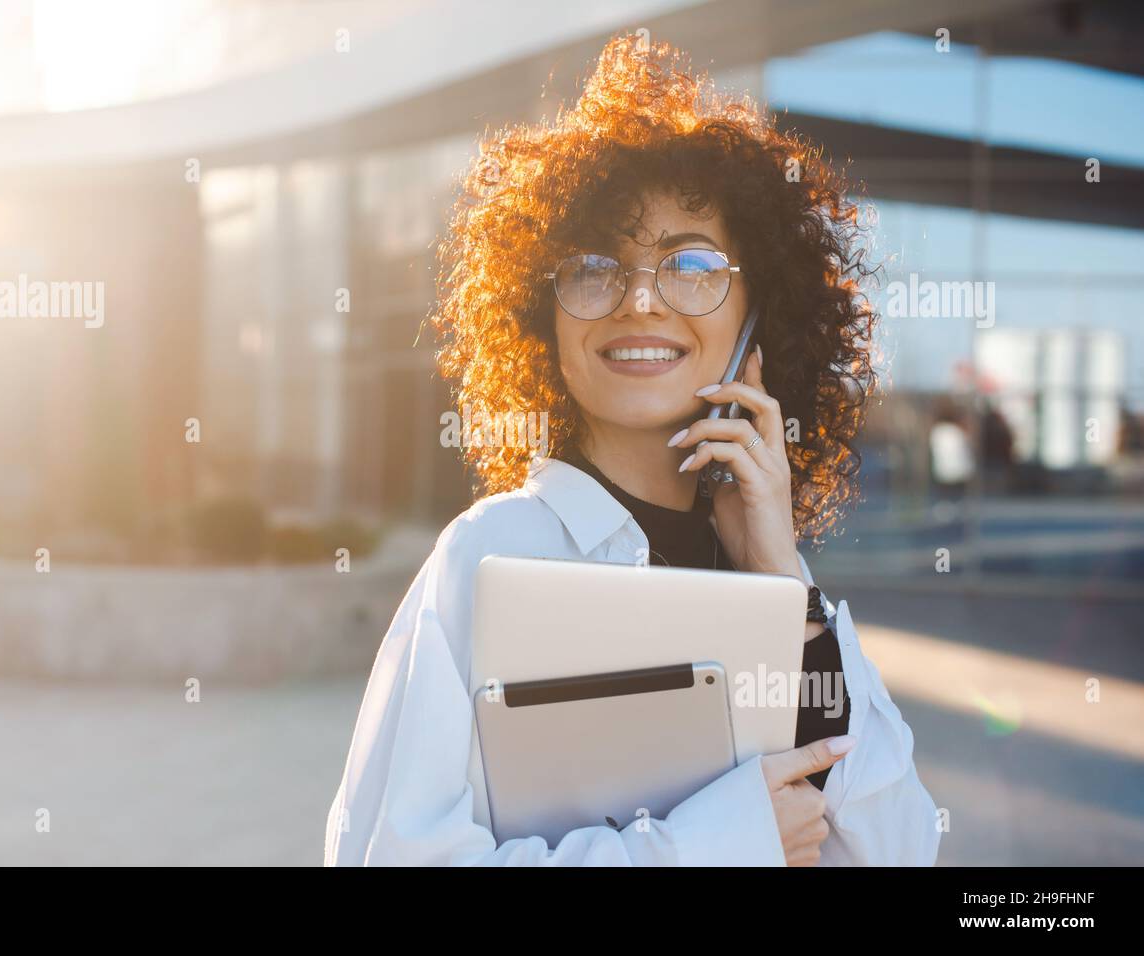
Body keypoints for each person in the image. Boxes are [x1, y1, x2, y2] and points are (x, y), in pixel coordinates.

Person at [325, 34, 940, 866]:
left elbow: (902, 848)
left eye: (691, 265)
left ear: (759, 321)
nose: (641, 300)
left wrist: (785, 580)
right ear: (545, 320)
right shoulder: (491, 554)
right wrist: (719, 843)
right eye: (593, 269)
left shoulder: (772, 579)